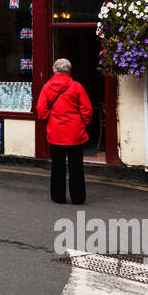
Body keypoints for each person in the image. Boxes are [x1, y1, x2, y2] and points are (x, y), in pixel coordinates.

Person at [37, 58, 93, 204]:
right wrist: (83, 123)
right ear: (69, 70)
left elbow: (41, 110)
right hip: (75, 131)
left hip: (55, 131)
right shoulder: (76, 86)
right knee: (76, 166)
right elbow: (87, 110)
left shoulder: (47, 87)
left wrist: (50, 119)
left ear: (54, 70)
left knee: (57, 165)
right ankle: (78, 198)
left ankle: (58, 197)